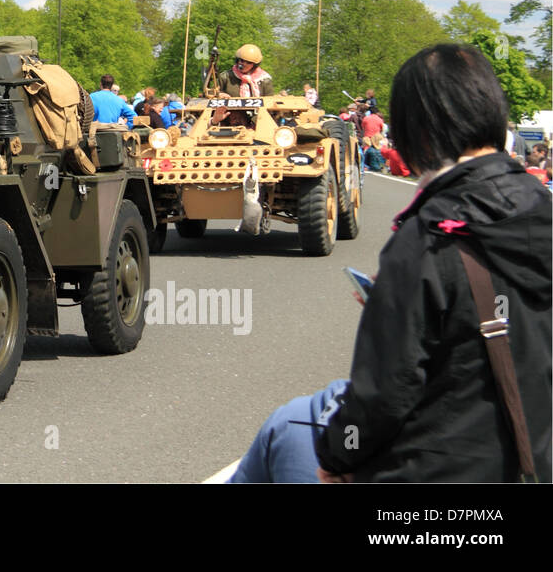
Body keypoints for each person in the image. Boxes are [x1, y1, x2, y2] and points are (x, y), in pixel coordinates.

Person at [235, 44, 552, 482]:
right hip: (533, 457)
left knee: (289, 427)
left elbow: (382, 395)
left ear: (416, 129)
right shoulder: (541, 210)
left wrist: (337, 457)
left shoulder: (428, 238)